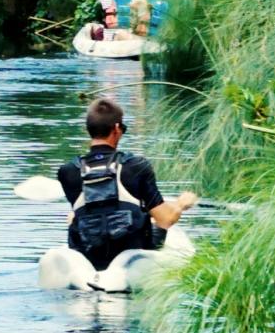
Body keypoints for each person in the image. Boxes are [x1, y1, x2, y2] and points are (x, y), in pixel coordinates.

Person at [57, 96, 197, 270]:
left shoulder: (68, 171)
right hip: (132, 257)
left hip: (90, 257)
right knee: (160, 220)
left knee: (73, 217)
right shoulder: (136, 166)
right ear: (117, 128)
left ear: (88, 130)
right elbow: (165, 218)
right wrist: (181, 204)